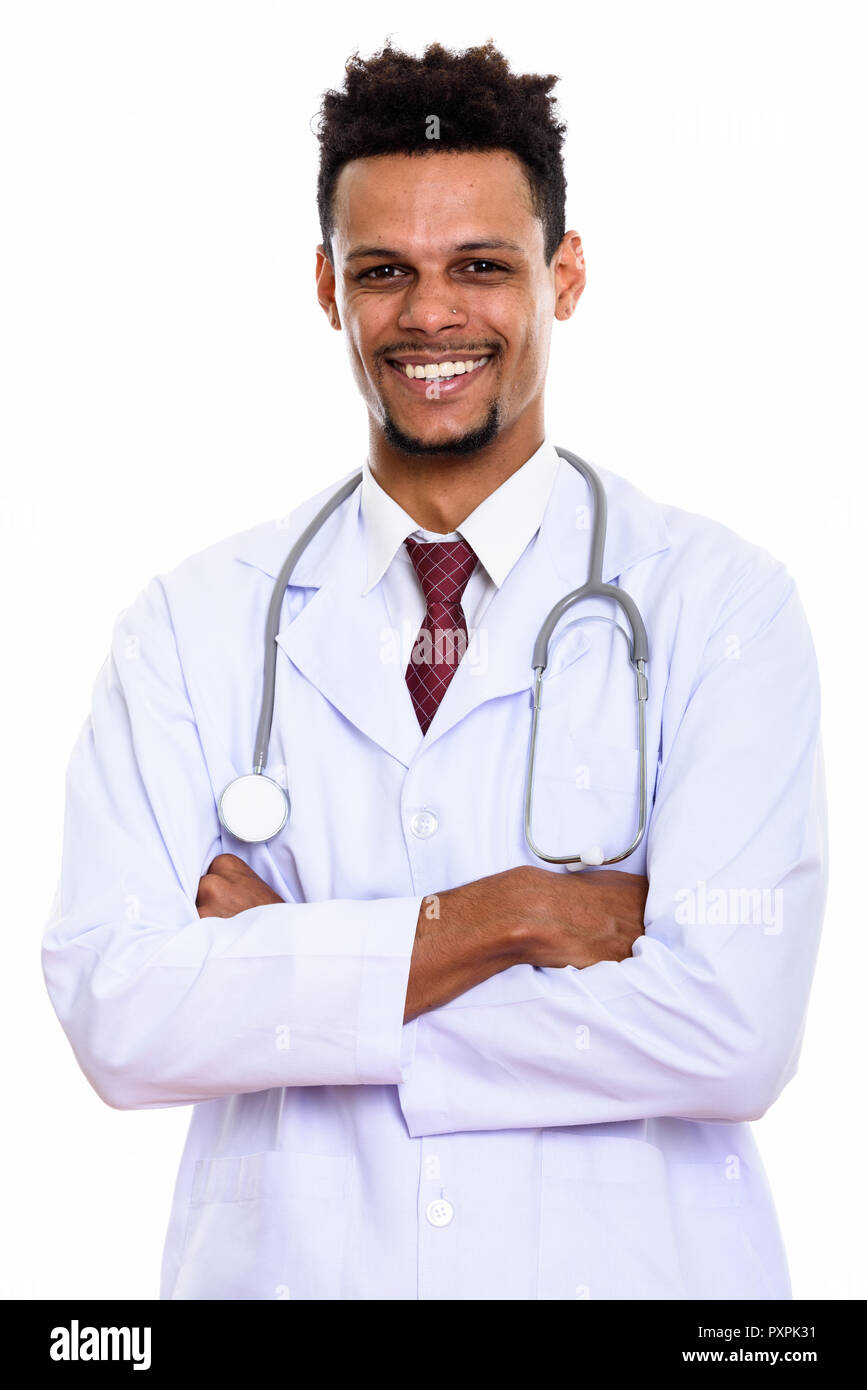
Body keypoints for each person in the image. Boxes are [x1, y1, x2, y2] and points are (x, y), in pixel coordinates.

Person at [42, 39, 828, 1301]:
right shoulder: (190, 627)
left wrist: (300, 969)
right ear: (324, 285)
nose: (430, 317)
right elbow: (121, 1013)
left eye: (481, 267)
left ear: (563, 276)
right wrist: (505, 916)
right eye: (384, 273)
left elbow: (732, 1033)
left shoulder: (718, 604)